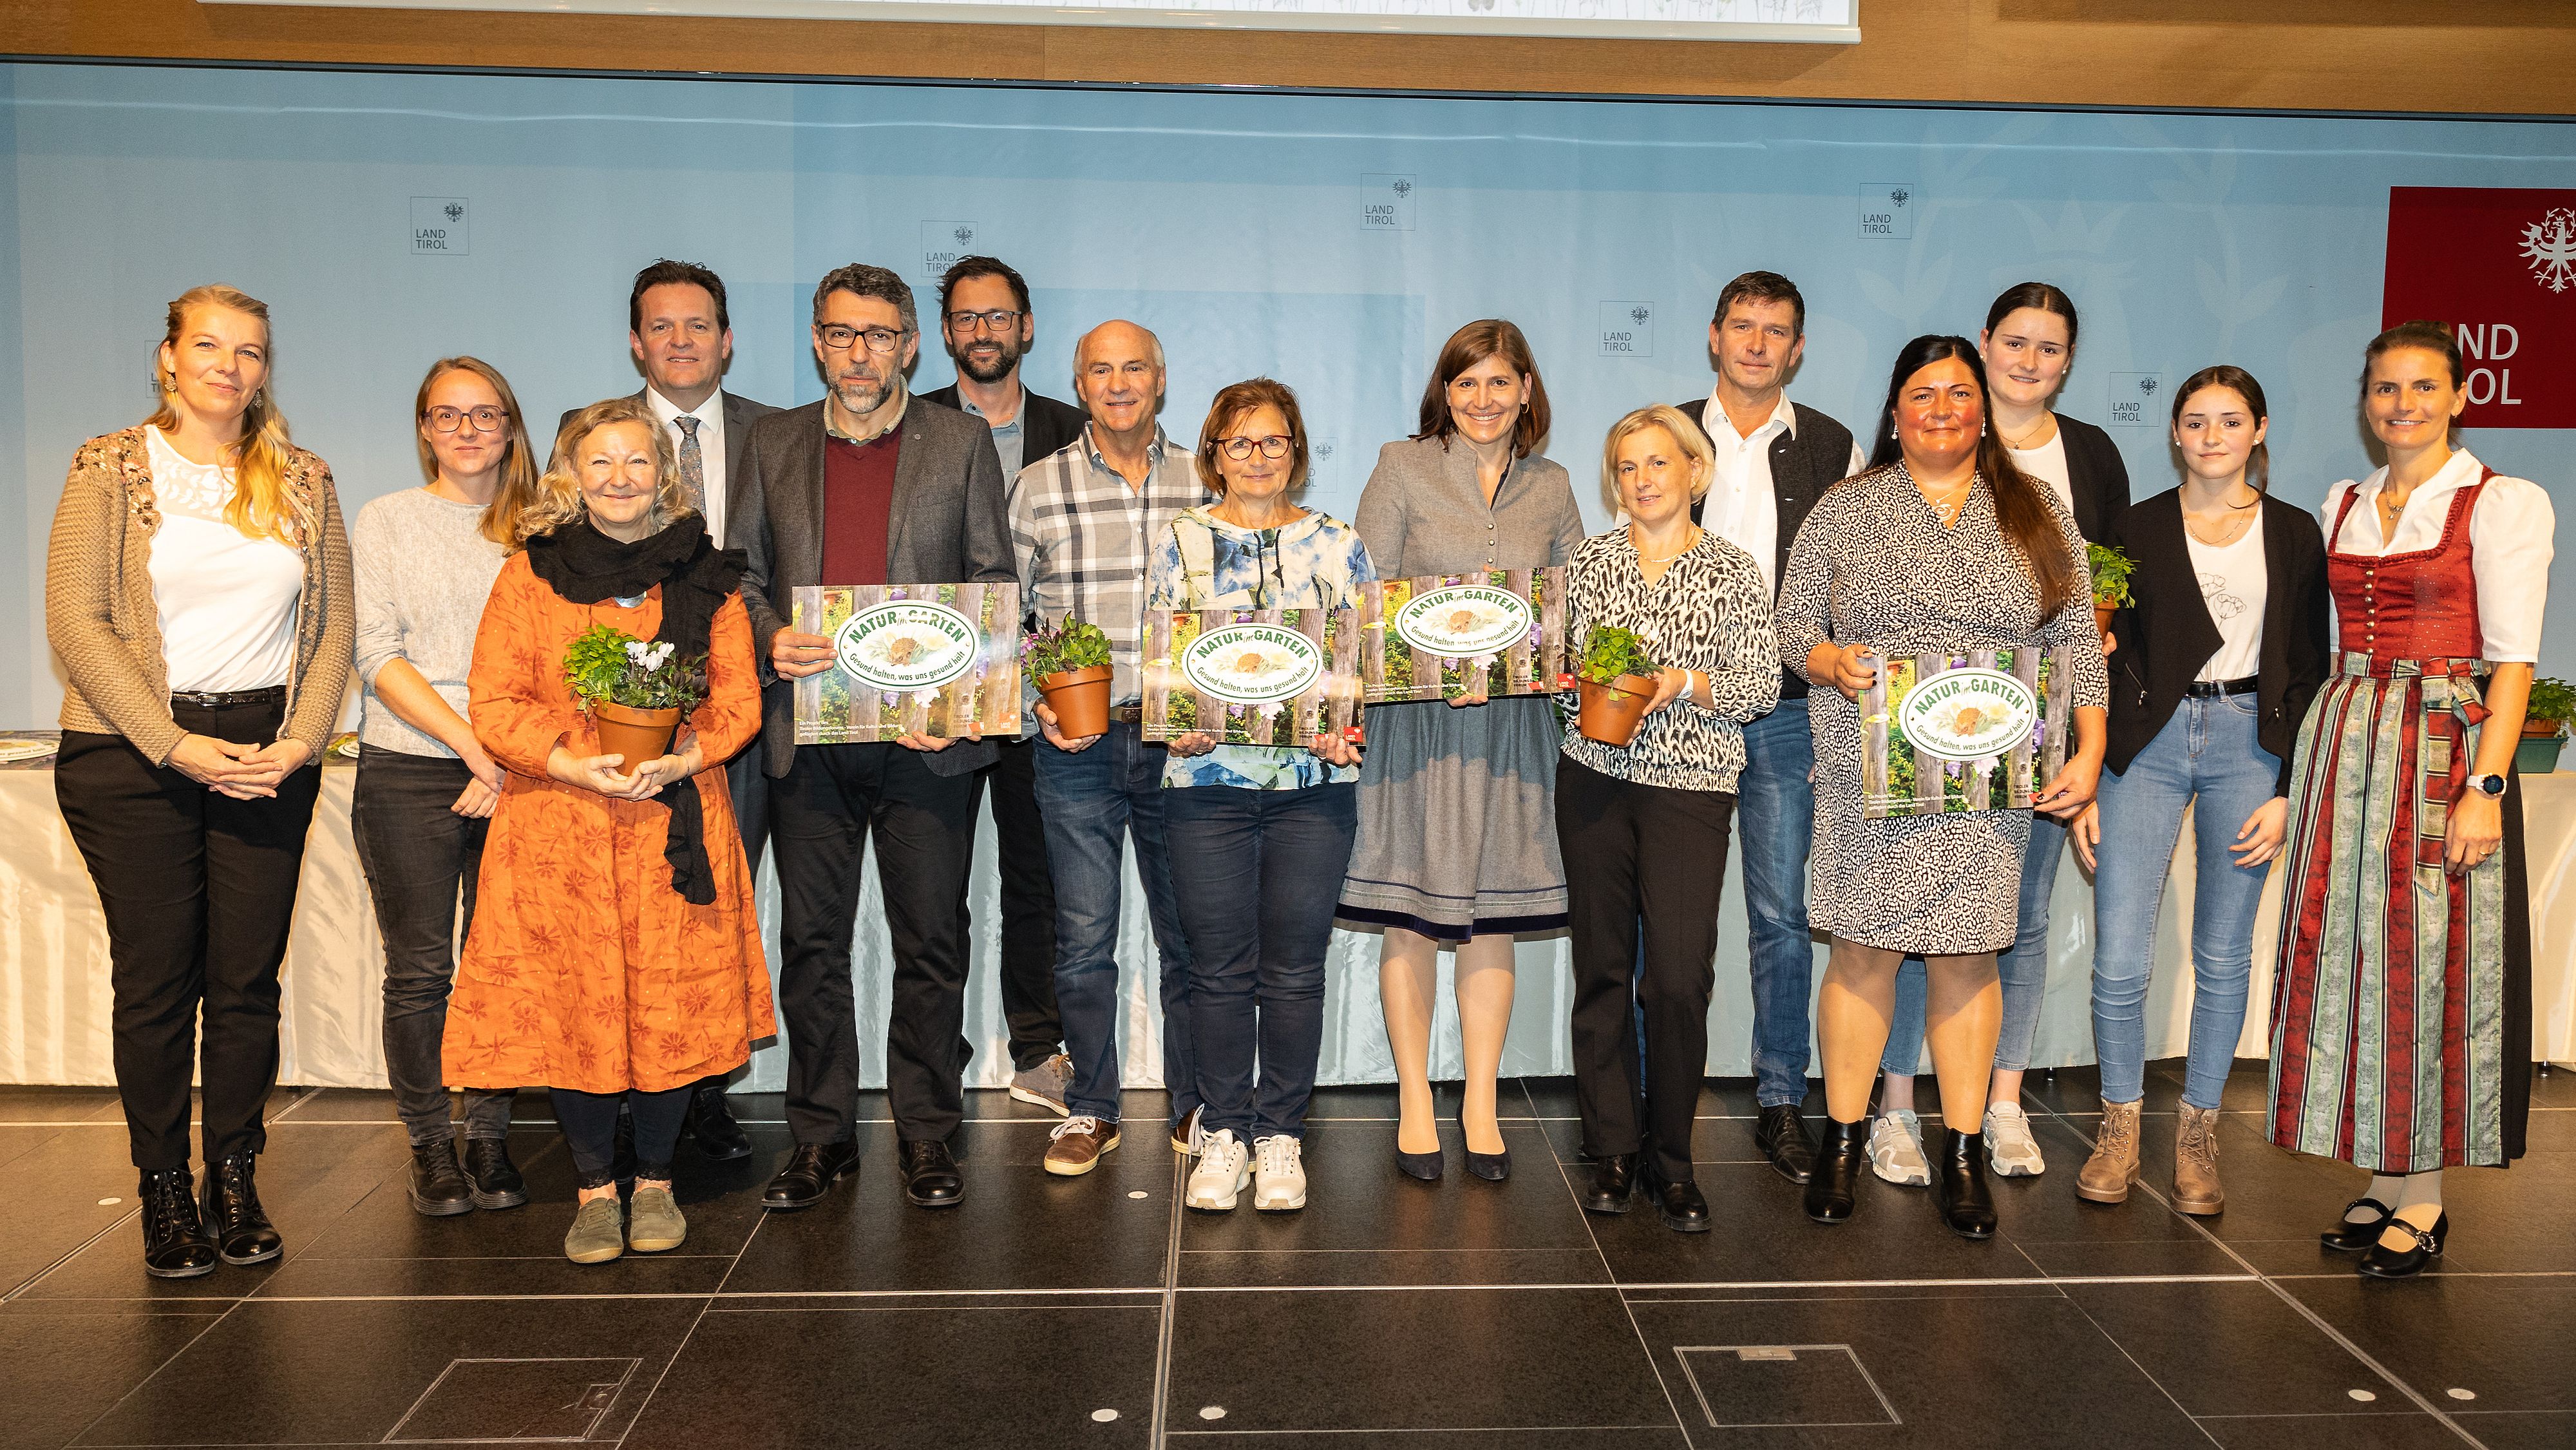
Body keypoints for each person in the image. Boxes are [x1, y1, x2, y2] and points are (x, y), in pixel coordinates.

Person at [47, 285, 352, 1279]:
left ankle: (234, 1174)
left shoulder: (304, 477)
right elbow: (76, 622)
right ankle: (162, 1187)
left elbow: (334, 629)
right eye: (210, 345)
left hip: (266, 755)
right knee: (156, 981)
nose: (231, 365)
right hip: (132, 757)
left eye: (251, 351)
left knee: (244, 982)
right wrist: (173, 744)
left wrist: (300, 743)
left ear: (266, 369)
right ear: (168, 358)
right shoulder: (106, 465)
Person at [1775, 334, 2108, 1239]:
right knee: (1862, 955)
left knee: (1968, 958)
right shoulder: (1847, 508)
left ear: (1983, 408)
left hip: (1990, 778)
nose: (1943, 409)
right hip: (1869, 771)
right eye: (1924, 394)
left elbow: (2074, 632)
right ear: (1895, 409)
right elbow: (1790, 625)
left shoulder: (2034, 507)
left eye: (1961, 394)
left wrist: (2090, 743)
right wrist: (1826, 658)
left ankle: (1963, 1148)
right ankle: (1845, 1137)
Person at [442, 396, 772, 1265]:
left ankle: (656, 1177)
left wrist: (684, 754)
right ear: (572, 475)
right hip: (560, 824)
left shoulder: (707, 573)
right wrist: (566, 759)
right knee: (573, 1001)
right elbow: (496, 700)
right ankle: (594, 1186)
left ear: (662, 474)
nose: (620, 479)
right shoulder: (529, 573)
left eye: (636, 462)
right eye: (601, 463)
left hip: (676, 816)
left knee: (668, 997)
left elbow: (739, 699)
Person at [2269, 322, 2553, 1279]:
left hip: (2443, 744)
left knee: (2435, 961)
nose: (2403, 405)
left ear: (2461, 395)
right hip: (2349, 739)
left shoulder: (2502, 503)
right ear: (2366, 402)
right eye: (2386, 389)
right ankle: (2386, 1176)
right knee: (2358, 956)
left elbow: (2513, 663)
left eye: (2423, 387)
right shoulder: (2344, 500)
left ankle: (2426, 1191)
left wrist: (2486, 787)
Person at [737, 262, 1012, 1212]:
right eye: (844, 334)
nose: (862, 353)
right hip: (807, 738)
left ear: (910, 344)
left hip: (928, 746)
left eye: (881, 335)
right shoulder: (770, 442)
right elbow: (742, 573)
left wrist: (959, 701)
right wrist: (770, 633)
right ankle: (821, 1137)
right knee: (813, 942)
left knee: (931, 939)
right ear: (817, 340)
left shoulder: (963, 441)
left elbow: (991, 582)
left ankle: (929, 1134)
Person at [1872, 281, 2133, 1186]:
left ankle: (2001, 1103)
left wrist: (2091, 744)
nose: (2030, 360)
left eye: (2050, 347)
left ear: (2068, 361)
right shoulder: (1903, 468)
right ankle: (1898, 1110)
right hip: (1916, 736)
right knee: (1913, 918)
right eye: (2015, 343)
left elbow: (2096, 613)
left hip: (2032, 738)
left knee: (2012, 921)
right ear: (1983, 348)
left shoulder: (2087, 462)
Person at [2067, 367, 2327, 1215]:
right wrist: (2091, 772)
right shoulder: (2132, 527)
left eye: (2229, 420)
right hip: (2147, 741)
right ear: (2174, 435)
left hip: (2249, 741)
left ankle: (2198, 1133)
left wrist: (2289, 784)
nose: (2210, 434)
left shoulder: (2293, 533)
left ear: (2258, 430)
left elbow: (2311, 666)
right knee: (2121, 951)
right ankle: (2119, 1125)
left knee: (2223, 951)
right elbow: (2097, 655)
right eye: (2193, 421)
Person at [1341, 320, 1585, 1183]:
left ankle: (1480, 1100)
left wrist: (1554, 669)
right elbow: (1364, 596)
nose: (1482, 399)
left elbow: (1569, 607)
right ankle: (1415, 1101)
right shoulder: (1402, 467)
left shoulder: (1553, 486)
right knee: (1412, 914)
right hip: (1419, 722)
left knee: (1492, 915)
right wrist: (1437, 668)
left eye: (1498, 382)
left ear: (1527, 388)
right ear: (1444, 392)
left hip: (1511, 727)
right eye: (1464, 383)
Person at [561, 259, 781, 1163]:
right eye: (663, 326)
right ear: (635, 340)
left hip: (740, 710)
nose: (682, 340)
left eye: (699, 325)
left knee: (709, 914)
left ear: (727, 339)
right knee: (621, 927)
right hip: (609, 737)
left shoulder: (780, 433)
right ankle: (624, 1098)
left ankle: (700, 1096)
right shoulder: (594, 436)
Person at [1148, 379, 1374, 1214]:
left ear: (1296, 451)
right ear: (1214, 453)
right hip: (1205, 787)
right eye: (1241, 442)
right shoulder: (1182, 539)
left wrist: (1344, 723)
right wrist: (1177, 722)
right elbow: (1162, 654)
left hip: (1313, 789)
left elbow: (1363, 664)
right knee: (1216, 970)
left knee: (1292, 970)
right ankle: (1225, 1134)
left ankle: (1280, 1135)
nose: (1257, 457)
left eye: (1274, 441)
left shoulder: (1339, 542)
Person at [1663, 271, 1868, 1187]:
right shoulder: (1662, 433)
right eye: (1741, 326)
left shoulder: (1833, 445)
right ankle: (1650, 1101)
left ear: (1797, 347)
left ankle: (1781, 1098)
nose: (1756, 343)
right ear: (1714, 336)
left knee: (1782, 916)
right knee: (1666, 921)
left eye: (1774, 330)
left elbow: (1851, 588)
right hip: (1676, 707)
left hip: (1786, 711)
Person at [1560, 406, 1780, 1232]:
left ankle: (1672, 1158)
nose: (1644, 479)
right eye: (1627, 466)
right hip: (1592, 782)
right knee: (1603, 970)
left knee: (1679, 977)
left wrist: (1677, 683)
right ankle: (1613, 1150)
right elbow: (1561, 673)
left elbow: (1757, 689)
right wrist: (1568, 688)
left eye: (1660, 462)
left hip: (1690, 787)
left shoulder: (1732, 571)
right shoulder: (1584, 565)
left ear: (1695, 470)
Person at [1010, 320, 1209, 1178]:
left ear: (1160, 380)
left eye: (1135, 367)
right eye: (1101, 368)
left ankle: (1198, 1104)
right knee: (1085, 939)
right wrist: (1034, 706)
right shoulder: (1035, 488)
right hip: (1078, 742)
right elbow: (1004, 621)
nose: (1119, 381)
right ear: (1080, 382)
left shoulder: (1208, 480)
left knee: (1190, 936)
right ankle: (1090, 1107)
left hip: (1183, 743)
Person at [352, 356, 542, 1217]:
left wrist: (504, 760)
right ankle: (432, 1146)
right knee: (421, 973)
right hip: (410, 766)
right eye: (447, 415)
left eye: (484, 414)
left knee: (500, 968)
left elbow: (557, 661)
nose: (467, 431)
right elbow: (376, 651)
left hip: (521, 770)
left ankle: (491, 1140)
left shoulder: (541, 527)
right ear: (424, 427)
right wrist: (473, 747)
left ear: (510, 425)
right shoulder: (387, 519)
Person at [920, 254, 1086, 1115]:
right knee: (936, 889)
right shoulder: (909, 429)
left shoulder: (1074, 427)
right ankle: (934, 1061)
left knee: (1039, 882)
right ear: (944, 333)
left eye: (999, 317)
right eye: (967, 317)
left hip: (1044, 697)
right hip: (941, 697)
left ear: (1026, 328)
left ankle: (1037, 1050)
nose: (983, 331)